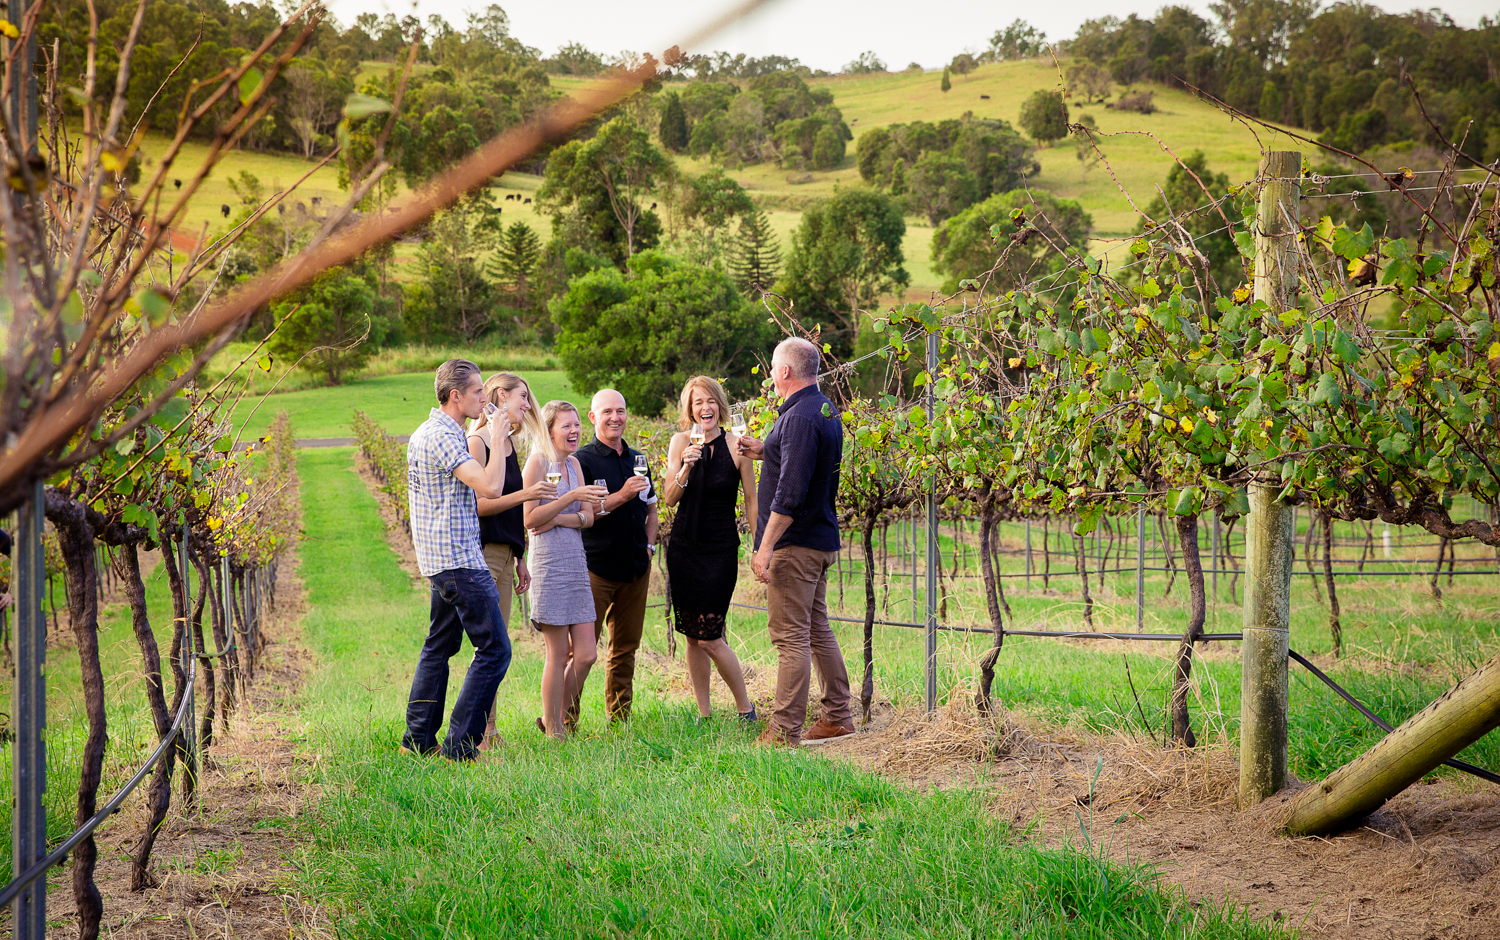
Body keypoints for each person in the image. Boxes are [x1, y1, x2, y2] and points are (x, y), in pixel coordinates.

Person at [737, 338, 854, 747]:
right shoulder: (821, 409)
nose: (771, 374)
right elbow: (802, 464)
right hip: (818, 539)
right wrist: (766, 450)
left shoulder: (800, 418)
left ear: (785, 371)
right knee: (816, 629)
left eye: (773, 367)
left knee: (790, 637)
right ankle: (837, 716)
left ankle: (784, 731)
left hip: (795, 544)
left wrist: (765, 546)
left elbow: (790, 493)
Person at [401, 359, 515, 761]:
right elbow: (491, 487)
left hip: (439, 560)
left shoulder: (427, 432)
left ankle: (417, 740)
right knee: (495, 650)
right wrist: (497, 436)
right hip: (459, 561)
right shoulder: (445, 437)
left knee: (439, 646)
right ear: (456, 396)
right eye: (478, 391)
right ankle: (460, 747)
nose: (485, 397)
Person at [662, 376, 758, 721]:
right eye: (698, 402)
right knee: (692, 635)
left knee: (710, 636)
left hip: (720, 550)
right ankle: (704, 713)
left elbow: (751, 500)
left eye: (711, 401)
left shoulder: (738, 446)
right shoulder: (679, 442)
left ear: (720, 405)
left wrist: (758, 546)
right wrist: (686, 465)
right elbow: (670, 499)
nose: (705, 407)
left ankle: (745, 708)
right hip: (684, 549)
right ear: (690, 410)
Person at [466, 372, 549, 751]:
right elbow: (480, 505)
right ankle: (481, 734)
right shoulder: (479, 442)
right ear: (501, 395)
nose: (528, 405)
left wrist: (520, 557)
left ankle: (489, 731)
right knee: (490, 647)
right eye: (523, 397)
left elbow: (508, 514)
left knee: (496, 646)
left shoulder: (507, 443)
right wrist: (527, 494)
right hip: (484, 554)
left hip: (504, 554)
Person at [523, 401, 608, 739]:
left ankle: (553, 716)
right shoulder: (537, 463)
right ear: (549, 430)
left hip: (575, 561)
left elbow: (588, 517)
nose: (574, 431)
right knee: (557, 655)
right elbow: (530, 519)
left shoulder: (574, 465)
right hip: (548, 564)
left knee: (587, 654)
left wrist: (557, 517)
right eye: (566, 425)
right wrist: (569, 499)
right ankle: (554, 729)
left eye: (576, 424)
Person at [575, 389, 657, 724]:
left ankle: (620, 719)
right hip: (596, 569)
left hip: (636, 569)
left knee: (625, 648)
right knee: (581, 652)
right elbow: (584, 512)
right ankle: (564, 720)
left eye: (620, 411)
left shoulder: (638, 459)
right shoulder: (581, 461)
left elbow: (652, 509)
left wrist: (649, 547)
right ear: (593, 417)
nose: (615, 417)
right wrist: (622, 495)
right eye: (607, 411)